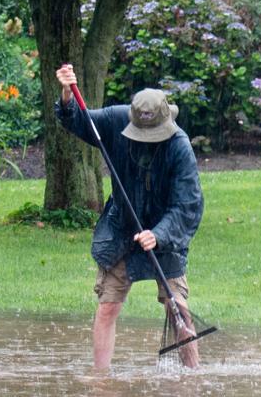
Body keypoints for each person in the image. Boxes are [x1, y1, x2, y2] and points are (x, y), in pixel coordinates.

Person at [54, 64, 204, 370]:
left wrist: (158, 234)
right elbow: (79, 120)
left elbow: (188, 206)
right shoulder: (116, 120)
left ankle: (193, 376)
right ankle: (100, 379)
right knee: (107, 306)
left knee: (179, 309)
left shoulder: (179, 147)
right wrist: (68, 94)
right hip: (121, 229)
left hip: (164, 236)